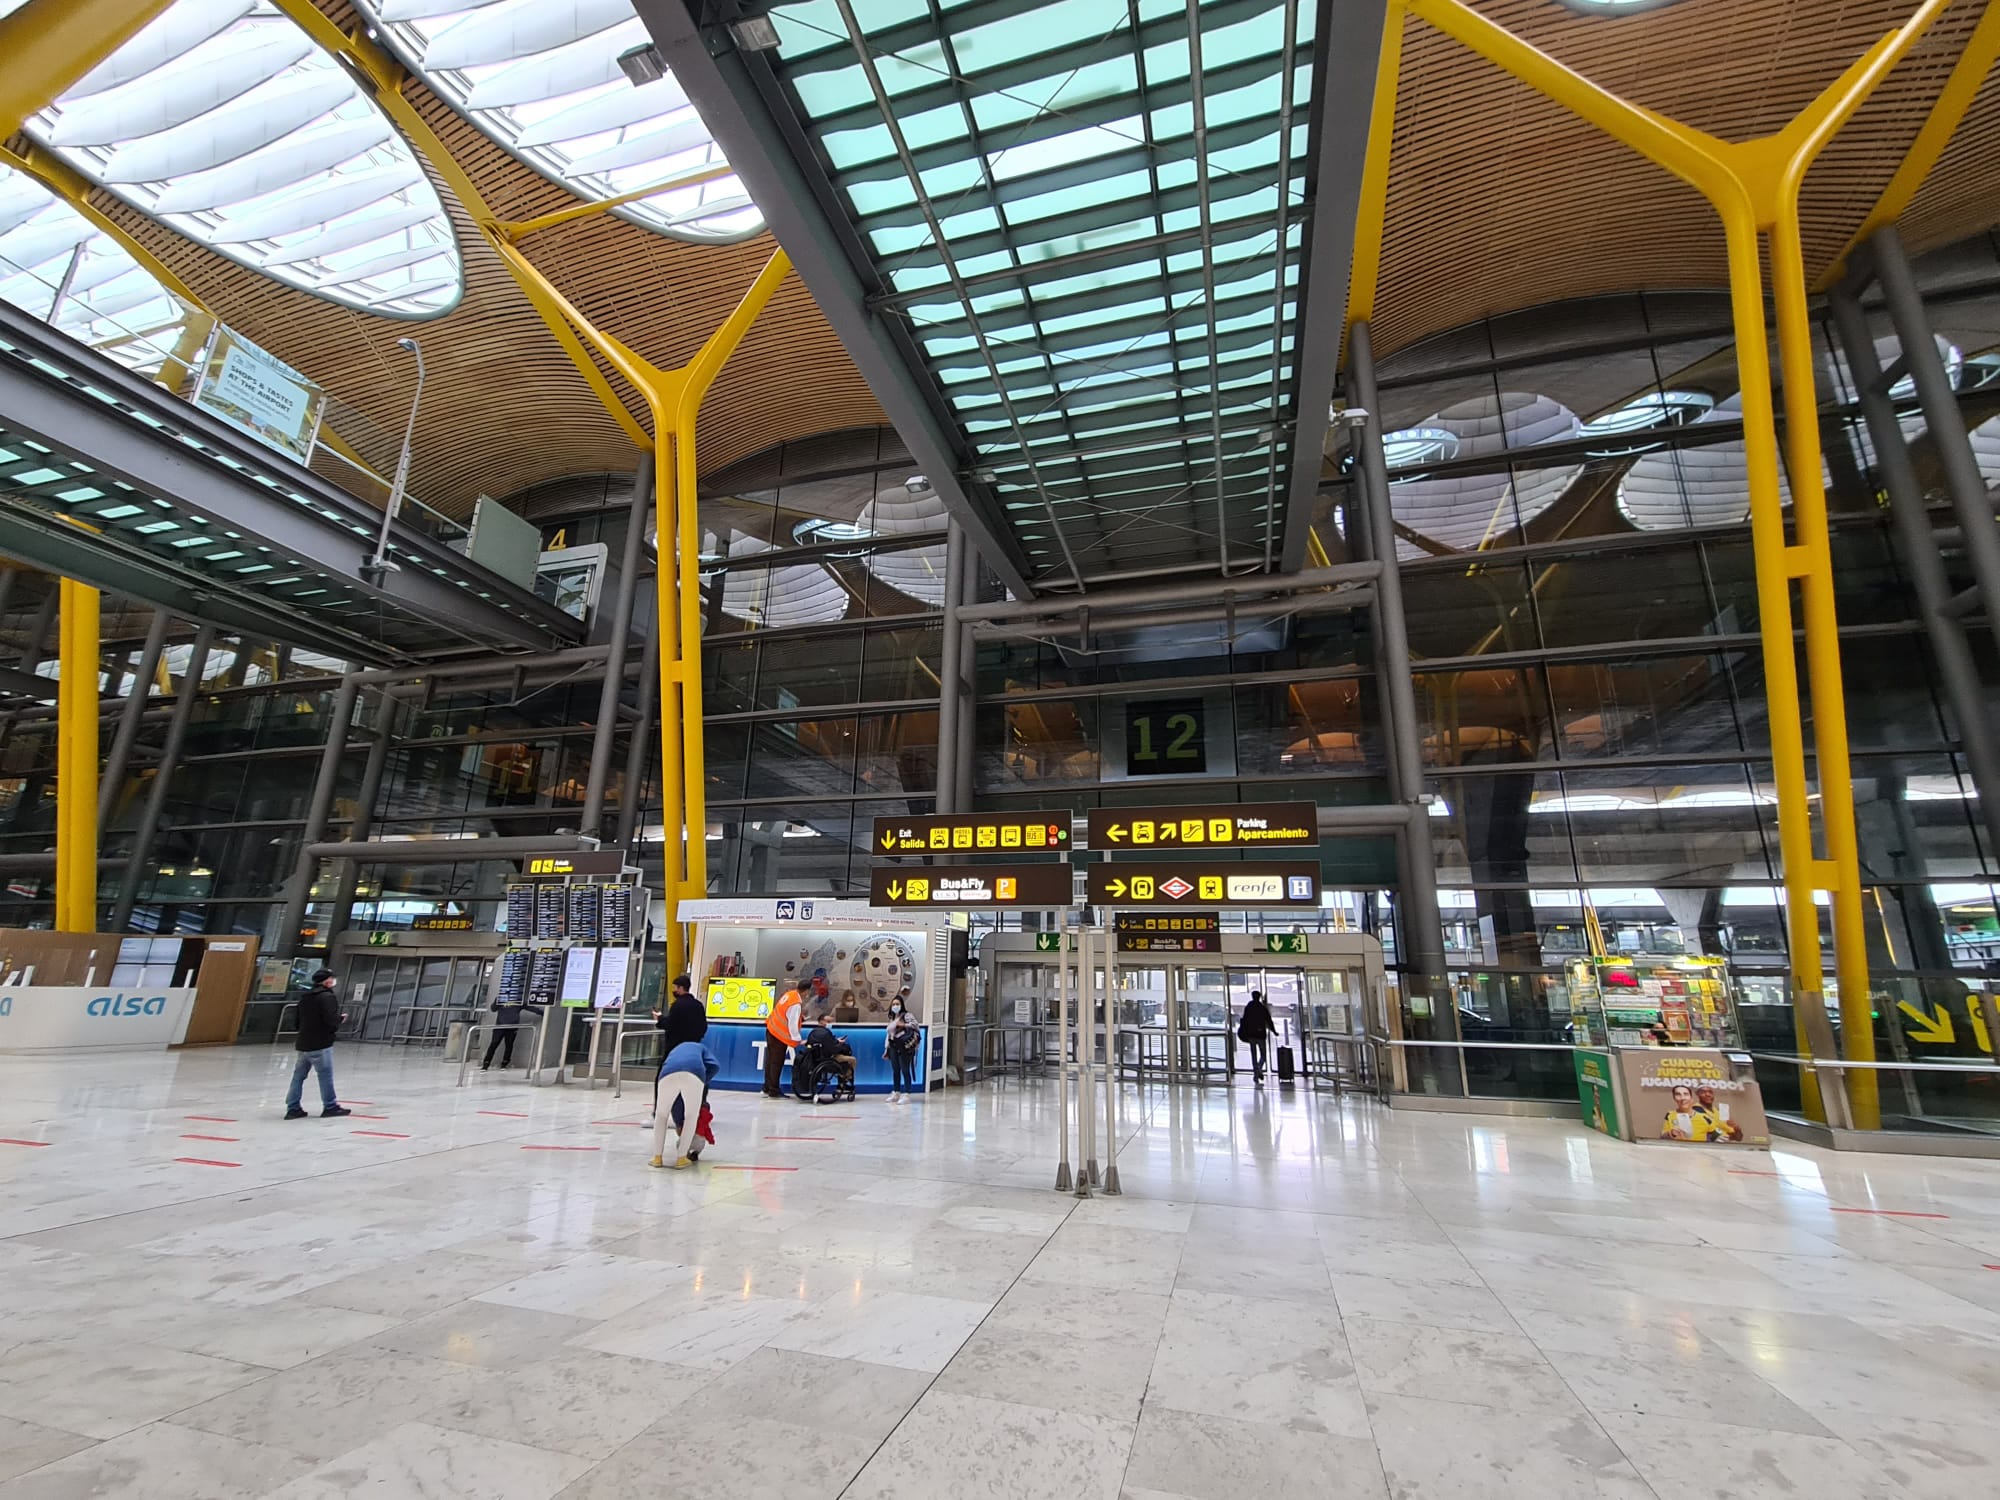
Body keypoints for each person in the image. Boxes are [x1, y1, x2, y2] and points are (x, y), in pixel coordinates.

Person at [284, 969, 350, 1120]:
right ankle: (330, 1106)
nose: (333, 981)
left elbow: (297, 1020)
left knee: (298, 1076)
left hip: (304, 1042)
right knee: (325, 1075)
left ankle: (292, 1108)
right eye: (331, 978)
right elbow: (330, 1019)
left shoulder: (305, 997)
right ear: (327, 981)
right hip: (320, 1042)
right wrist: (340, 1020)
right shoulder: (327, 997)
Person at [651, 1036, 720, 1170]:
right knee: (691, 1116)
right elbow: (715, 1065)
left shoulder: (675, 1050)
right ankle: (681, 1158)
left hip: (667, 1073)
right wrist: (705, 1079)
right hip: (694, 1073)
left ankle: (657, 1158)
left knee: (661, 1116)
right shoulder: (702, 1048)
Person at [653, 975, 706, 1117]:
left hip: (674, 1050)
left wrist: (660, 1019)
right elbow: (703, 1027)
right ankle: (696, 1111)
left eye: (675, 988)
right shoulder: (698, 1005)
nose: (673, 991)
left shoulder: (677, 1006)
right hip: (693, 1050)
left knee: (663, 1079)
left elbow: (671, 1025)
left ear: (681, 988)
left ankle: (660, 1111)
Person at [763, 983, 804, 1097]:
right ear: (806, 992)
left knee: (770, 1061)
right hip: (779, 1035)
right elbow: (792, 1023)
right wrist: (797, 1039)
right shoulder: (796, 1003)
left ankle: (767, 1086)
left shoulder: (790, 995)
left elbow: (783, 1012)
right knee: (776, 1062)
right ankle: (774, 1090)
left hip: (771, 1028)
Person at [801, 1012, 855, 1097]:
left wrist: (836, 1041)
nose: (830, 1024)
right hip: (828, 1059)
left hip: (816, 1059)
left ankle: (843, 1080)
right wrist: (841, 1045)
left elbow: (824, 1043)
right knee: (852, 1060)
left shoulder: (813, 1032)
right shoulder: (826, 1033)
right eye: (828, 1022)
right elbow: (833, 1049)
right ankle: (844, 1079)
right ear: (822, 1021)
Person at [481, 992, 530, 1070]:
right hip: (500, 1026)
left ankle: (504, 1063)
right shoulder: (501, 998)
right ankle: (486, 1063)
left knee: (509, 1045)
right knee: (494, 1044)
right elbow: (493, 1009)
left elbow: (530, 1007)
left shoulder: (519, 1000)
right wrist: (497, 1000)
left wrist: (542, 1013)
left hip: (512, 1027)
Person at [1237, 990, 1276, 1082]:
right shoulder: (1262, 1008)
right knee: (1263, 1055)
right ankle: (1259, 1069)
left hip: (1251, 1035)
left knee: (1253, 1055)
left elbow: (1244, 1020)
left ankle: (1256, 1072)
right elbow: (1269, 1020)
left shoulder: (1249, 1007)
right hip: (1260, 1034)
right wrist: (1274, 1031)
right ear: (1259, 997)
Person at [884, 1001, 920, 1100]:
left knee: (905, 1069)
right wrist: (886, 1049)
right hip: (893, 1046)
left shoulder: (907, 1015)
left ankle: (907, 1093)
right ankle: (896, 1091)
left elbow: (915, 1025)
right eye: (893, 1004)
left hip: (904, 1047)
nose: (895, 1006)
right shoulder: (892, 1018)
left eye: (897, 1004)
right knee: (896, 1070)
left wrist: (904, 1025)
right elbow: (889, 1035)